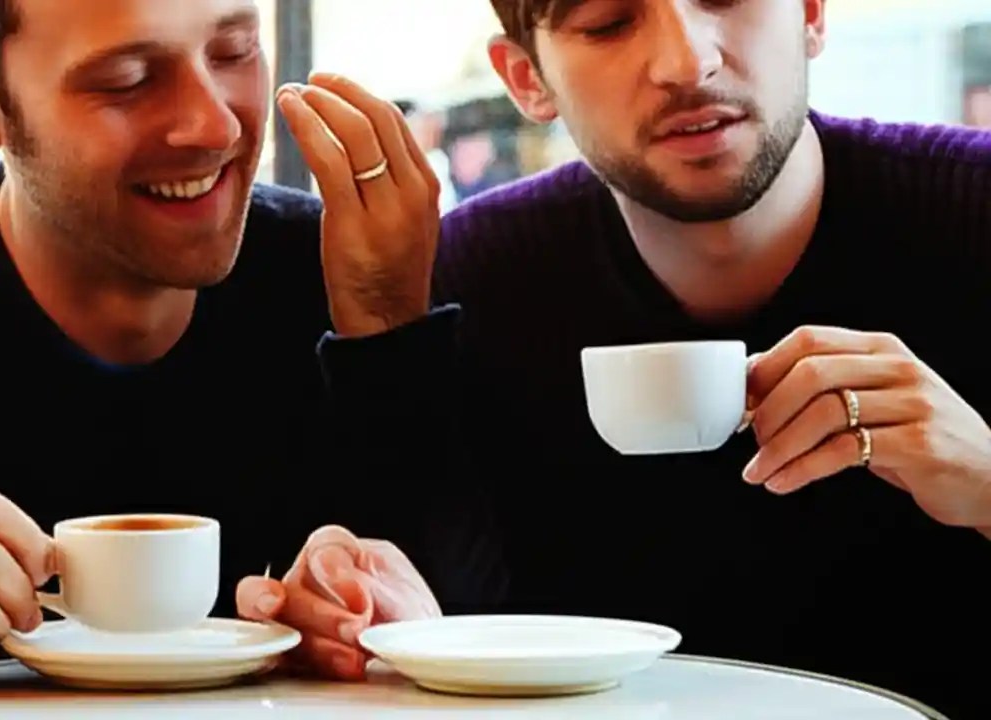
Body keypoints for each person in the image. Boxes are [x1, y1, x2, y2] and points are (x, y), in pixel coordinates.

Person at [0, 1, 499, 718]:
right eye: (126, 81)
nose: (212, 125)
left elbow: (493, 641)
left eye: (233, 50)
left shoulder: (351, 281)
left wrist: (387, 342)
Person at [247, 1, 991, 717]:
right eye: (608, 23)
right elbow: (436, 620)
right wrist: (349, 605)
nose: (687, 62)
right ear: (527, 79)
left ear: (812, 12)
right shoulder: (471, 283)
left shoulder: (969, 214)